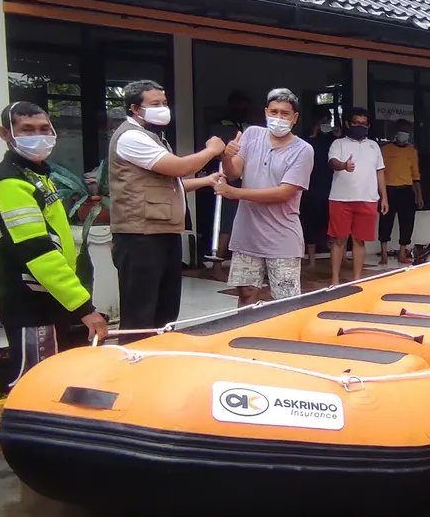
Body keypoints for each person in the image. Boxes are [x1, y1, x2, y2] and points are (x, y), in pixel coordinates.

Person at [0, 102, 109, 395]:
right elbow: (37, 252)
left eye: (44, 129)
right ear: (5, 134)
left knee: (53, 376)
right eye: (27, 130)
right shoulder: (9, 183)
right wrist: (84, 308)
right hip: (29, 300)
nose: (39, 136)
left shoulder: (35, 177)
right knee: (36, 385)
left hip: (46, 297)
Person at [109, 80, 225, 338]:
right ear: (134, 109)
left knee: (165, 310)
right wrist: (211, 150)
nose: (163, 108)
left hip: (163, 232)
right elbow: (179, 167)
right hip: (140, 236)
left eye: (164, 103)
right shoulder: (131, 136)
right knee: (141, 313)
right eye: (155, 104)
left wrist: (206, 181)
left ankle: (158, 361)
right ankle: (134, 365)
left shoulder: (152, 137)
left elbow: (172, 181)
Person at [217, 88, 314, 306]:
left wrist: (234, 193)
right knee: (246, 294)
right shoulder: (251, 135)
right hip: (247, 234)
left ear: (295, 117)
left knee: (285, 301)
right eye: (274, 112)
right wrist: (226, 156)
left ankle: (282, 340)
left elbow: (284, 192)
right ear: (265, 112)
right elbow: (234, 172)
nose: (278, 118)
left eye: (284, 114)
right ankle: (245, 337)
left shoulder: (303, 150)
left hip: (281, 237)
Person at [328, 107, 388, 286]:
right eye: (356, 123)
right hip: (340, 198)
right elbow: (333, 163)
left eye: (363, 124)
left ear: (368, 126)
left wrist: (384, 197)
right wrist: (344, 166)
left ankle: (357, 280)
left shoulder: (374, 146)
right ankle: (335, 280)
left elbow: (380, 172)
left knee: (359, 240)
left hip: (368, 199)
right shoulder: (338, 144)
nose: (359, 126)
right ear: (348, 124)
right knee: (339, 240)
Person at [206, 90, 252, 279]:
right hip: (227, 178)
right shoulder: (220, 126)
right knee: (226, 223)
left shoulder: (250, 127)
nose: (242, 110)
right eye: (239, 106)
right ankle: (217, 265)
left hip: (247, 180)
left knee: (248, 221)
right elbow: (216, 150)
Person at [378, 119, 424, 264]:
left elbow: (416, 175)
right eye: (401, 130)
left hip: (407, 190)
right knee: (385, 222)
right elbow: (379, 172)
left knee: (407, 222)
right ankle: (384, 253)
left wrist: (419, 195)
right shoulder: (385, 150)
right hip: (389, 191)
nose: (403, 134)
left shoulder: (412, 151)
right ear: (395, 132)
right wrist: (381, 193)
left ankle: (402, 252)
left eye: (406, 131)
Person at [301, 106, 336, 267]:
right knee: (311, 223)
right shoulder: (306, 140)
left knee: (332, 223)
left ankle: (338, 257)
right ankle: (312, 260)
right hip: (311, 188)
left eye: (328, 121)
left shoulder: (334, 139)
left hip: (331, 187)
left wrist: (336, 134)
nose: (326, 124)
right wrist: (314, 133)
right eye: (323, 121)